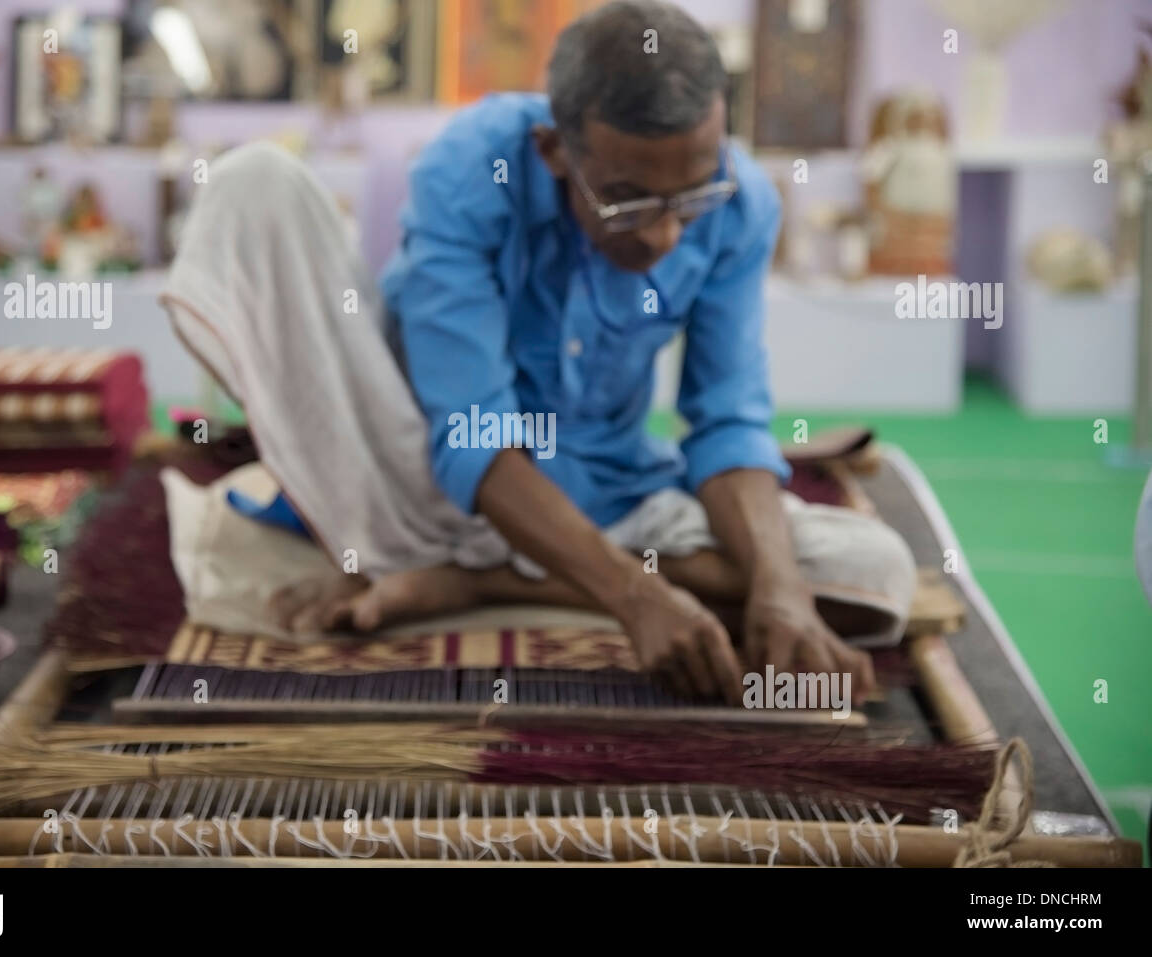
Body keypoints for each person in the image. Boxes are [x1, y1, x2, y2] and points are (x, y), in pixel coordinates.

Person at [161, 0, 916, 704]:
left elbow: (726, 421)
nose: (663, 236)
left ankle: (474, 581)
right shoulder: (470, 167)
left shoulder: (741, 201)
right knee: (255, 182)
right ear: (555, 150)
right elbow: (472, 431)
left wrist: (778, 587)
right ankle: (498, 565)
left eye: (689, 197)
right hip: (425, 477)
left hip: (607, 494)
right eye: (626, 199)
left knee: (872, 573)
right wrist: (633, 594)